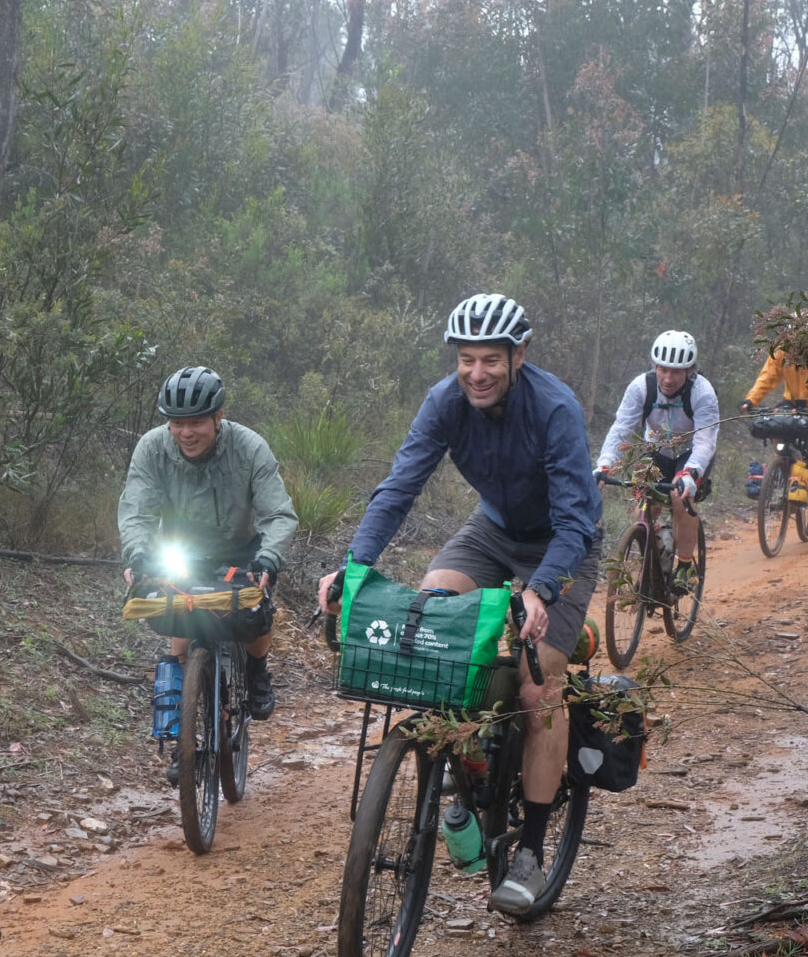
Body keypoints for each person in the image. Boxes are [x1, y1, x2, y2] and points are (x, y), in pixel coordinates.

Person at [316, 293, 601, 919]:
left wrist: (541, 590)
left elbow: (577, 524)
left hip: (562, 544)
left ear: (518, 356)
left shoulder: (554, 408)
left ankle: (530, 850)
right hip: (491, 532)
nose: (477, 373)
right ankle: (467, 755)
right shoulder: (445, 401)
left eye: (491, 360)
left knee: (537, 687)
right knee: (431, 624)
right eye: (467, 359)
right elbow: (400, 487)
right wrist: (354, 567)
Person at [119, 366, 298, 777]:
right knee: (180, 625)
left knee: (254, 611)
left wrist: (268, 558)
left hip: (241, 549)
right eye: (177, 423)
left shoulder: (249, 448)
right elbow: (136, 510)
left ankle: (257, 670)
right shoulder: (152, 448)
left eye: (196, 422)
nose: (186, 432)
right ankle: (184, 740)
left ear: (218, 417)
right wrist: (137, 555)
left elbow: (278, 514)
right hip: (181, 550)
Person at [595, 330, 719, 592]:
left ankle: (685, 566)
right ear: (654, 367)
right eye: (663, 370)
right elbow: (621, 429)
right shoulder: (641, 387)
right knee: (643, 495)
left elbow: (705, 441)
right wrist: (605, 464)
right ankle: (654, 553)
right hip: (657, 449)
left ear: (689, 372)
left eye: (676, 372)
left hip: (691, 453)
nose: (668, 378)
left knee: (680, 496)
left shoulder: (703, 392)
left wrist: (690, 473)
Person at [740, 345, 808, 535]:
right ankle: (782, 468)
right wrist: (751, 400)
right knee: (774, 425)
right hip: (791, 404)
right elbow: (767, 376)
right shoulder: (782, 350)